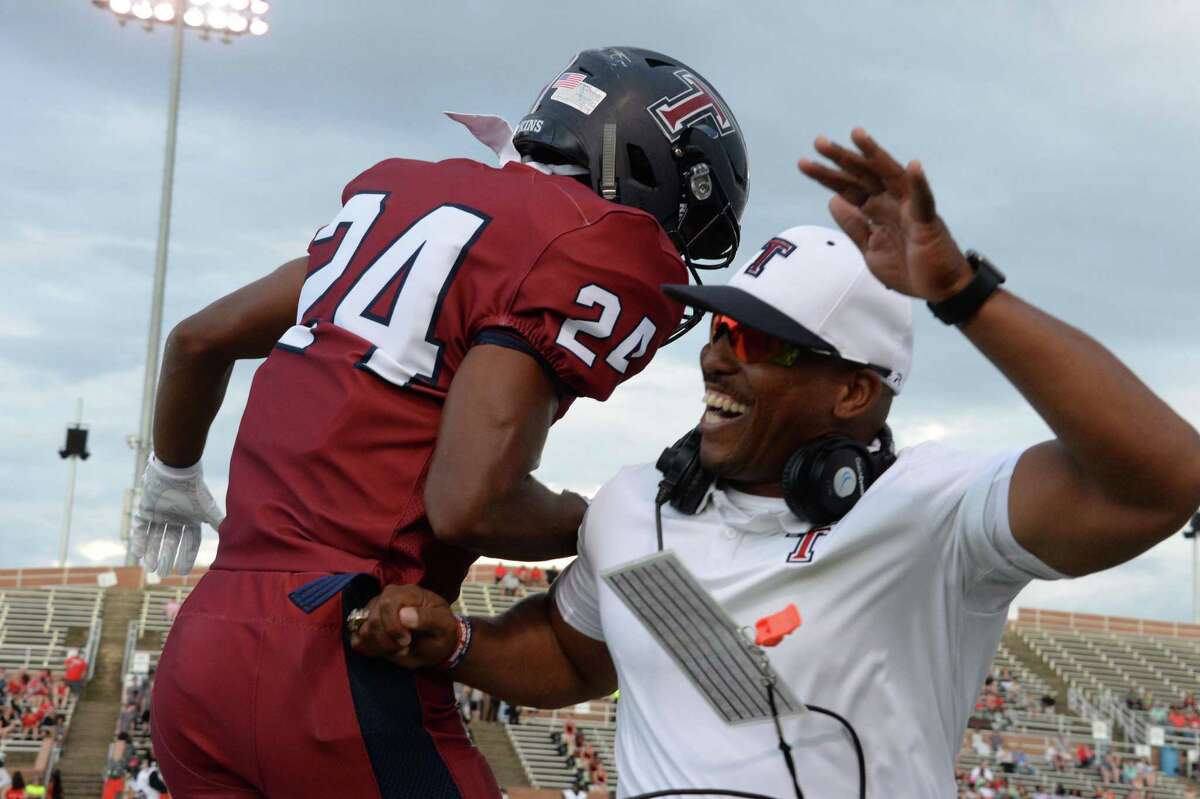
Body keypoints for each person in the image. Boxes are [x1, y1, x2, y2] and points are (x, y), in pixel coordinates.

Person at [349, 128, 1200, 798]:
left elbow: (1163, 479)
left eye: (757, 340)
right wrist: (453, 639)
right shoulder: (642, 510)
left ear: (853, 394)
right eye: (719, 330)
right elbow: (577, 659)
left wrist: (962, 293)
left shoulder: (927, 511)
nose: (719, 360)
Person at [138, 45, 749, 799]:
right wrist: (600, 523)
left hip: (203, 648)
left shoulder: (414, 207)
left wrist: (171, 474)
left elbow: (198, 339)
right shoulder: (580, 243)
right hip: (347, 640)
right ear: (643, 168)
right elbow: (469, 501)